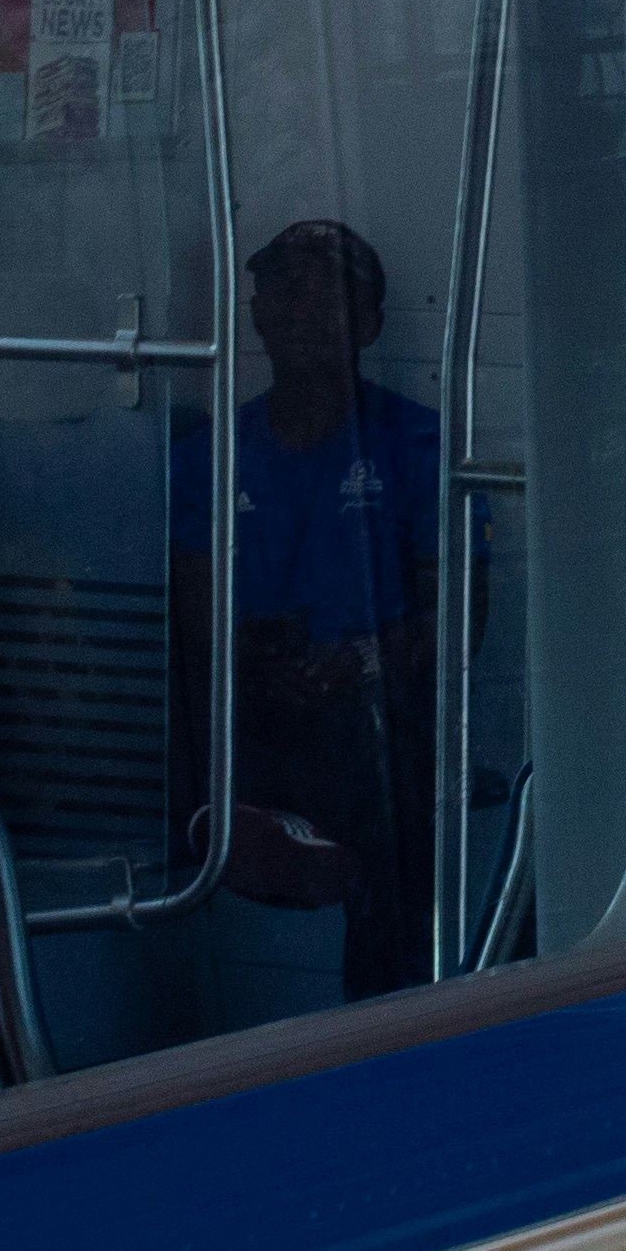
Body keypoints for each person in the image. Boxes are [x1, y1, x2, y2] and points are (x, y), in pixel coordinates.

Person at [175, 216, 450, 1007]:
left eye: (326, 297)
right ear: (255, 314)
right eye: (282, 292)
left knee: (389, 752)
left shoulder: (416, 444)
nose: (300, 312)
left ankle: (384, 1013)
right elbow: (195, 616)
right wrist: (253, 661)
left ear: (366, 325)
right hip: (248, 724)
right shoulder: (209, 454)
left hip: (370, 725)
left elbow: (460, 617)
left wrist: (362, 660)